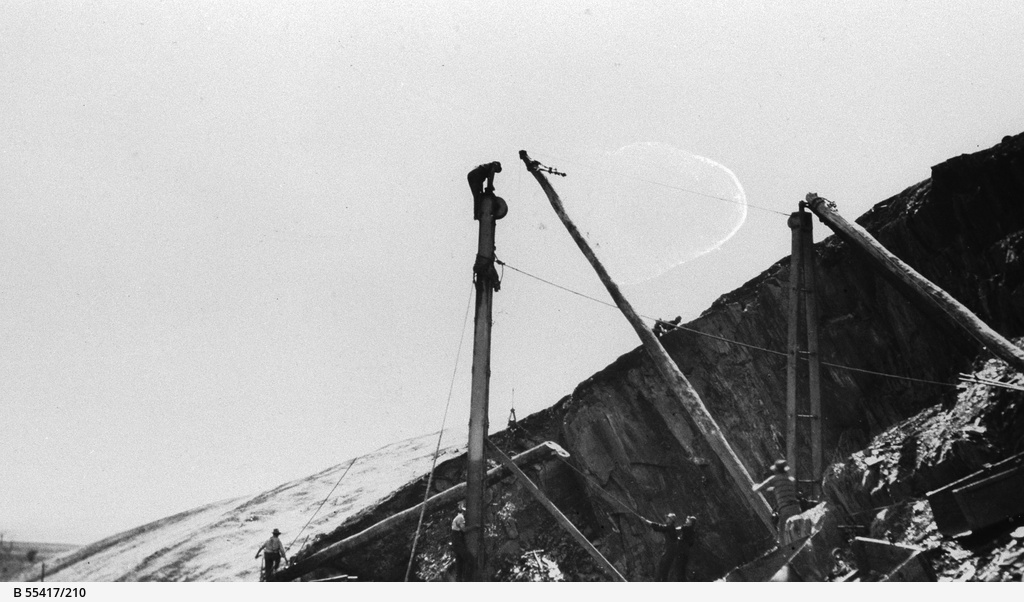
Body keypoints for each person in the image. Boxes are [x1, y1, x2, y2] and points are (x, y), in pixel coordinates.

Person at [753, 459, 802, 544]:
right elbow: (782, 488)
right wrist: (773, 489)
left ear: (776, 470)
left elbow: (758, 489)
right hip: (797, 508)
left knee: (782, 532)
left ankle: (784, 549)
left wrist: (754, 486)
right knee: (799, 530)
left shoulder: (774, 479)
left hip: (785, 509)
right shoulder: (789, 480)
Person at [644, 513, 697, 581]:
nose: (686, 520)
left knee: (666, 569)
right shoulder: (692, 531)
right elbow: (690, 543)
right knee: (678, 570)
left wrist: (647, 521)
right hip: (683, 552)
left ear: (691, 522)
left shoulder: (683, 528)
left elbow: (662, 527)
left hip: (675, 552)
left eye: (688, 520)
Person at [451, 502, 471, 581]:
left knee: (460, 562)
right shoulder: (460, 517)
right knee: (468, 559)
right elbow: (464, 530)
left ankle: (459, 579)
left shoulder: (460, 517)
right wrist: (475, 526)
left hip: (457, 541)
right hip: (457, 541)